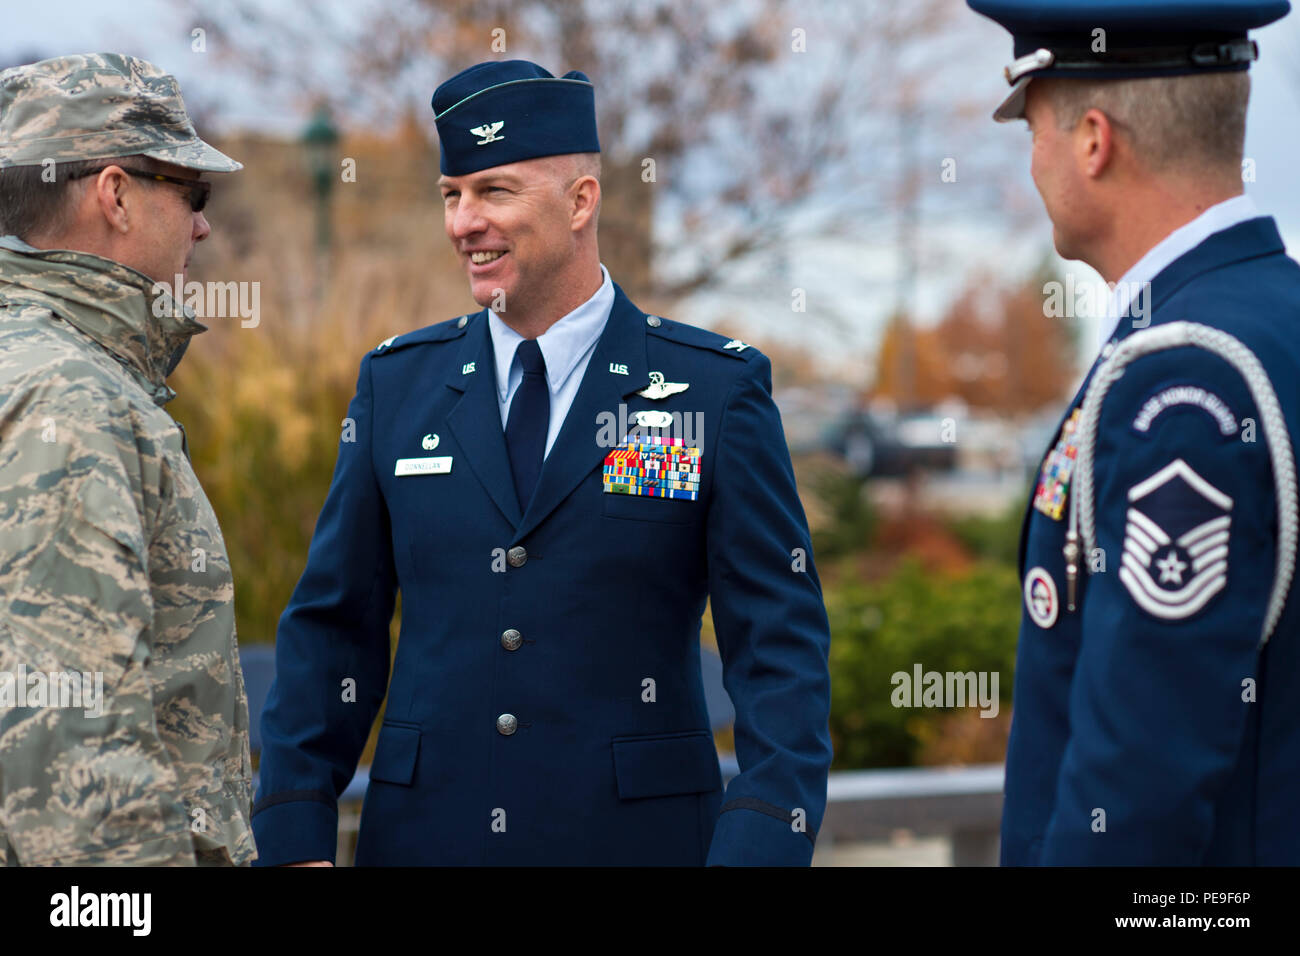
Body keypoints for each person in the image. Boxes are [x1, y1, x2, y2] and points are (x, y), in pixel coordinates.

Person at [252, 59, 832, 866]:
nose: (463, 223)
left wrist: (761, 843)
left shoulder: (711, 388)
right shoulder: (397, 386)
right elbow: (332, 628)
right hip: (427, 843)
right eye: (451, 195)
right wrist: (293, 828)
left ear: (581, 200)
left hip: (640, 844)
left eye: (494, 191)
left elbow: (779, 648)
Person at [968, 0, 1300, 864]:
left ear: (1092, 141)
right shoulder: (1275, 324)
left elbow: (1138, 788)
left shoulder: (1183, 378)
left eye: (1033, 125)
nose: (1033, 161)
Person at [0, 53, 254, 866]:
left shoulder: (46, 366)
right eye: (192, 194)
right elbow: (75, 754)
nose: (202, 226)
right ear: (114, 194)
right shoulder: (71, 397)